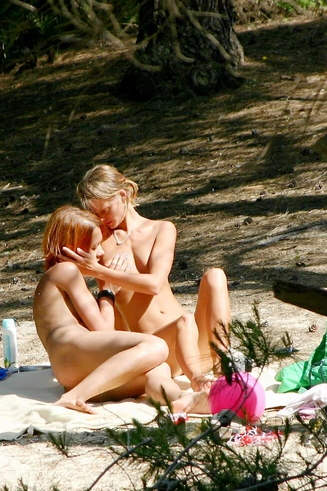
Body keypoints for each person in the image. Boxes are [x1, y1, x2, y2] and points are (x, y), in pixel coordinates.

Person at [62, 165, 231, 392]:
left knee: (215, 276)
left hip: (192, 342)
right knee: (183, 321)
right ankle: (198, 378)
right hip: (156, 350)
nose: (101, 218)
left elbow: (154, 284)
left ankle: (223, 365)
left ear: (122, 195)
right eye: (95, 213)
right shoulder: (99, 243)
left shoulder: (161, 229)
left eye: (105, 210)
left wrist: (99, 271)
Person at [34, 205, 207, 415]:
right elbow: (103, 330)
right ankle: (74, 397)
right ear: (72, 247)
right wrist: (107, 291)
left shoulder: (55, 278)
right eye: (94, 247)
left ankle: (183, 401)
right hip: (72, 355)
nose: (100, 252)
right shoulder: (65, 270)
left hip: (75, 369)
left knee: (157, 369)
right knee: (156, 346)